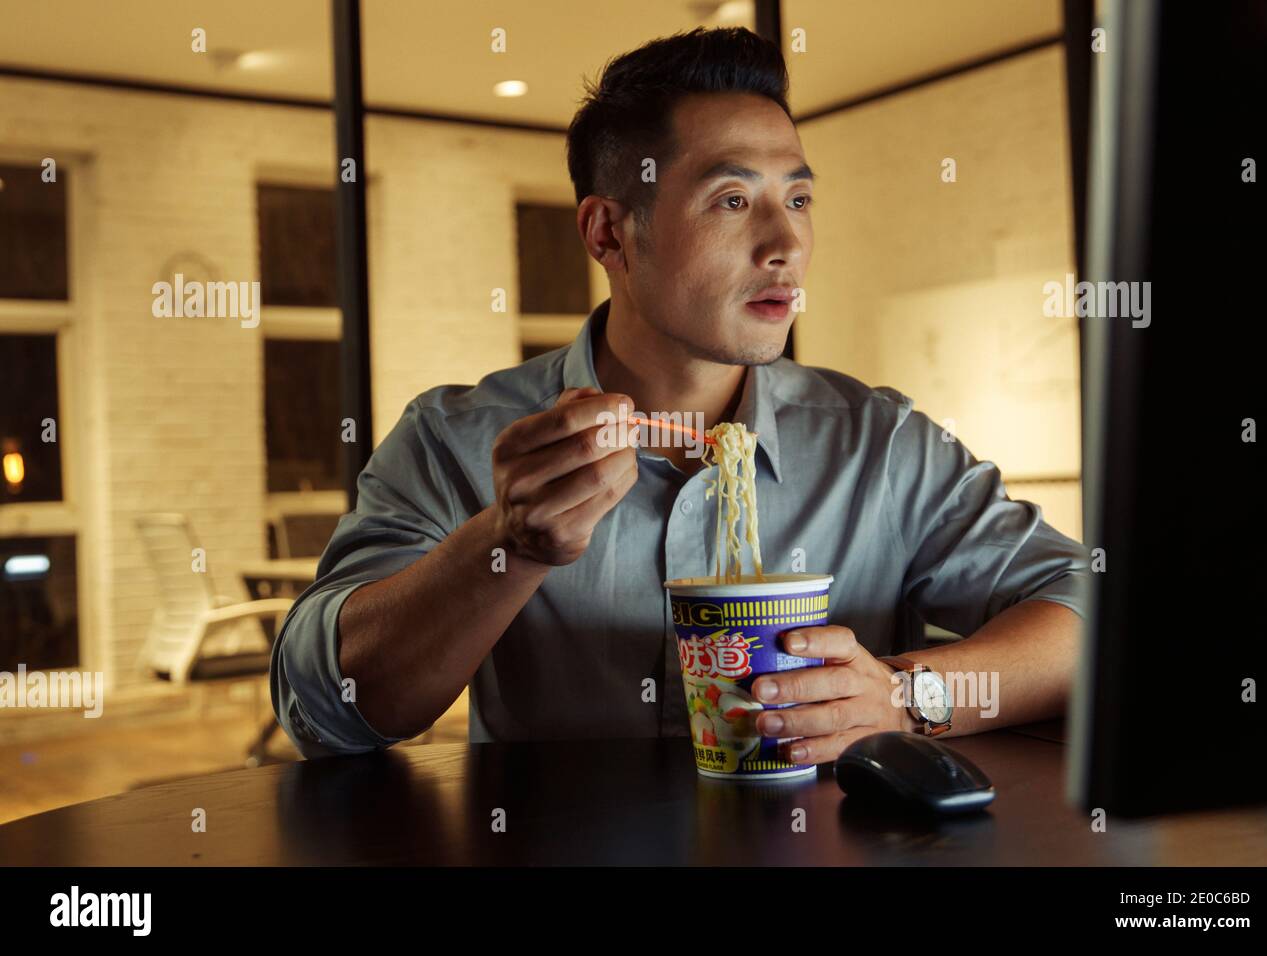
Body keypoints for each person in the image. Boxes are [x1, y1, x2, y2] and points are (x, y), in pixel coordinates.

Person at [270, 27, 1088, 760]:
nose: (786, 243)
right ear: (609, 232)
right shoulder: (460, 436)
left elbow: (1090, 613)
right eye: (733, 201)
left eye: (798, 199)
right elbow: (322, 707)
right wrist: (507, 547)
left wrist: (909, 697)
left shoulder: (878, 441)